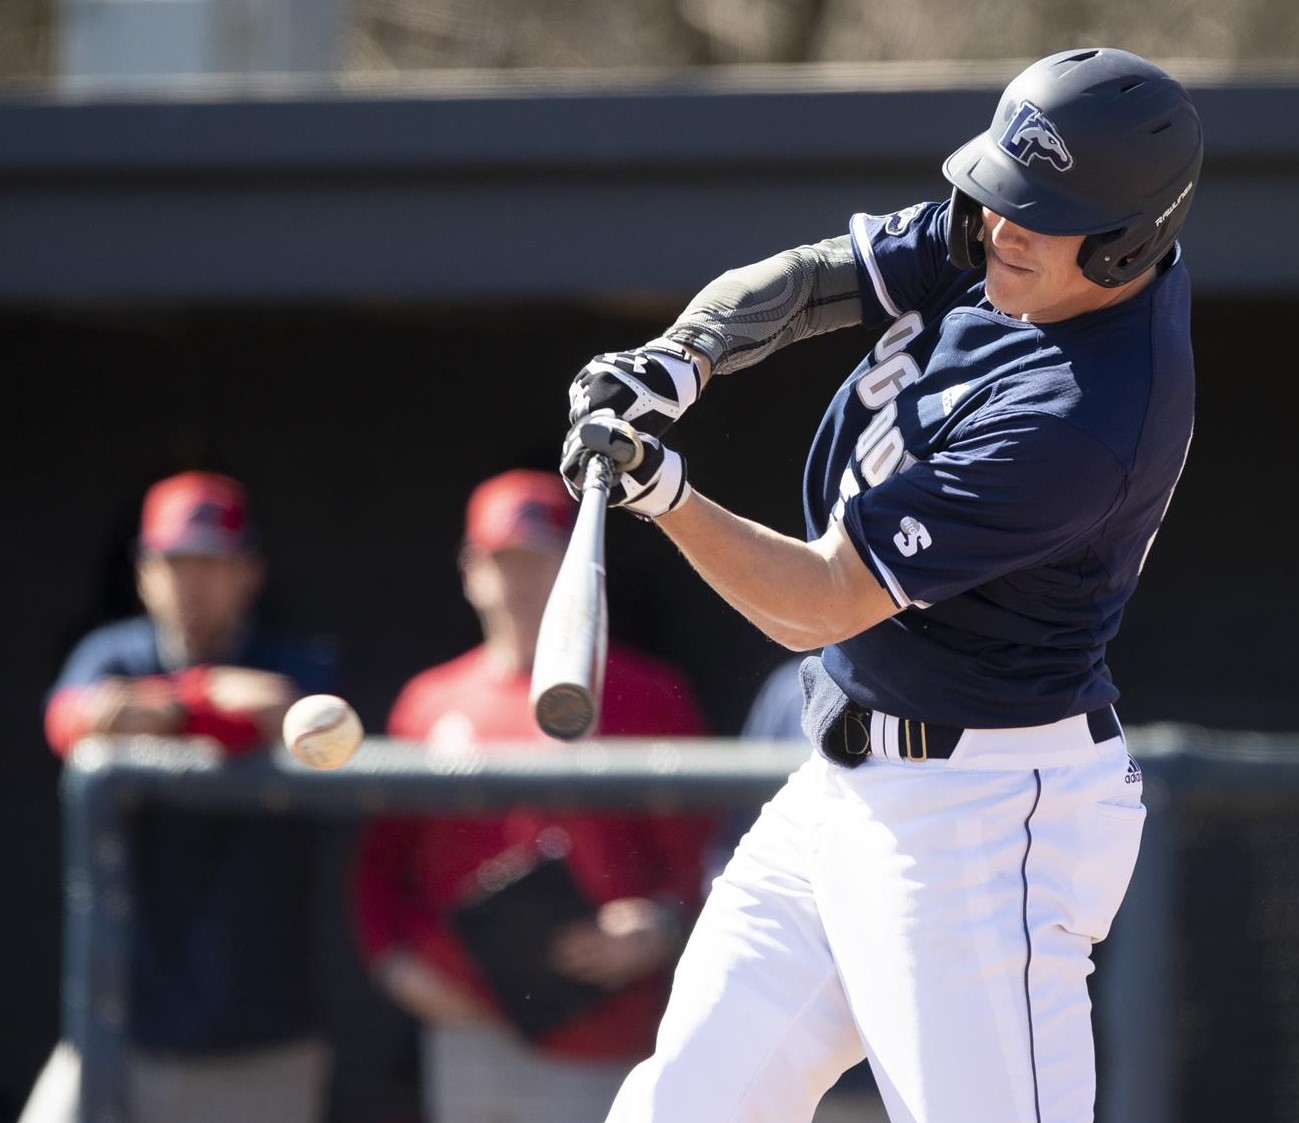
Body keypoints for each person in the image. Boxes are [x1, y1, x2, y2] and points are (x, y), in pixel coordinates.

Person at [559, 47, 1201, 1123]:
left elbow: (817, 600)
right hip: (841, 779)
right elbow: (815, 279)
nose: (996, 227)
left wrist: (658, 492)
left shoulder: (1084, 414)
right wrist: (680, 357)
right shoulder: (1015, 241)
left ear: (1126, 242)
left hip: (982, 823)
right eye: (998, 194)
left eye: (1031, 215)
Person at [352, 468, 713, 1123]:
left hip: (601, 1020)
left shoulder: (647, 691)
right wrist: (396, 963)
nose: (520, 582)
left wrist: (661, 928)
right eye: (503, 561)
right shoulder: (427, 701)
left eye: (540, 560)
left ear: (576, 564)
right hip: (467, 1019)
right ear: (470, 569)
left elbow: (705, 855)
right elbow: (380, 866)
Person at [35, 470, 337, 1123]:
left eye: (210, 563)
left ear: (248, 570)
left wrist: (150, 711)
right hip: (122, 1022)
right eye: (174, 563)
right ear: (144, 572)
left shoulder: (302, 660)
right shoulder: (109, 652)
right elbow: (65, 720)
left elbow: (287, 709)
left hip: (262, 1031)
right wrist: (204, 701)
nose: (190, 584)